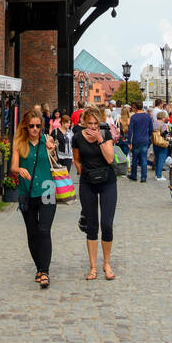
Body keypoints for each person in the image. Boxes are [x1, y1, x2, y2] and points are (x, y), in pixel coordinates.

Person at [10, 109, 58, 288]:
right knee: (32, 232)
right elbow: (13, 166)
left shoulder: (47, 140)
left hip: (47, 190)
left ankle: (44, 271)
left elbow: (54, 159)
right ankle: (39, 267)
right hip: (26, 193)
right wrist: (19, 170)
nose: (35, 129)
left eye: (38, 126)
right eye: (32, 126)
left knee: (44, 230)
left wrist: (52, 150)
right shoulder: (19, 143)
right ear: (25, 126)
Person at [72, 107, 117, 280]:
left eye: (95, 124)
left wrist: (99, 139)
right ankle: (92, 267)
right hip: (88, 183)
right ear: (83, 123)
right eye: (89, 124)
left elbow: (110, 159)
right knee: (92, 225)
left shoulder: (105, 135)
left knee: (106, 223)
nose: (92, 127)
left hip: (107, 182)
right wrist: (82, 171)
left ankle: (106, 263)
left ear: (100, 124)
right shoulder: (77, 138)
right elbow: (76, 159)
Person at [127, 101, 153, 181]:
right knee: (144, 159)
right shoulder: (147, 116)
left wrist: (129, 142)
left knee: (134, 159)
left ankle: (134, 175)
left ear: (135, 107)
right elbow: (151, 129)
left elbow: (130, 130)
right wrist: (148, 137)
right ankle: (143, 177)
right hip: (144, 140)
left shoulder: (134, 117)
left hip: (136, 140)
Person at [152, 110, 171, 181]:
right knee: (161, 159)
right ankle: (159, 175)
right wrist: (168, 135)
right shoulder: (162, 124)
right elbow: (164, 134)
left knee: (157, 158)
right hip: (162, 143)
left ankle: (157, 174)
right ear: (163, 117)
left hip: (155, 143)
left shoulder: (153, 123)